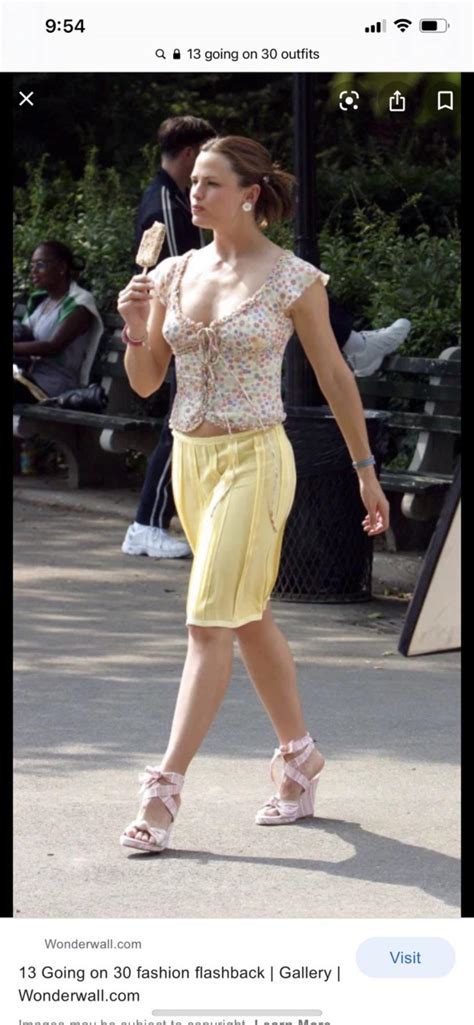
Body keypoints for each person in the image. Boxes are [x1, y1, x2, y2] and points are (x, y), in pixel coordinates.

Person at [117, 136, 390, 854]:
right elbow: (147, 381)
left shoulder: (293, 278)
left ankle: (164, 787)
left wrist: (364, 467)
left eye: (209, 183)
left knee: (208, 622)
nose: (193, 195)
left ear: (249, 192)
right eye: (192, 184)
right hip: (191, 461)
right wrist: (136, 327)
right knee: (247, 615)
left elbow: (334, 376)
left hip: (256, 460)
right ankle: (299, 758)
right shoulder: (173, 272)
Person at [122, 115, 216, 560]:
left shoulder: (167, 196)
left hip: (177, 330)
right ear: (189, 153)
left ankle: (152, 521)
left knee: (182, 427)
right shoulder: (165, 202)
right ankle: (147, 521)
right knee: (179, 428)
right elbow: (182, 270)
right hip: (180, 332)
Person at [13, 241, 103, 403]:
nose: (33, 271)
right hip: (26, 377)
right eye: (32, 265)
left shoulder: (80, 303)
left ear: (61, 268)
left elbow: (53, 346)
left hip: (56, 385)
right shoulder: (41, 302)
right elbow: (22, 335)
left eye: (40, 265)